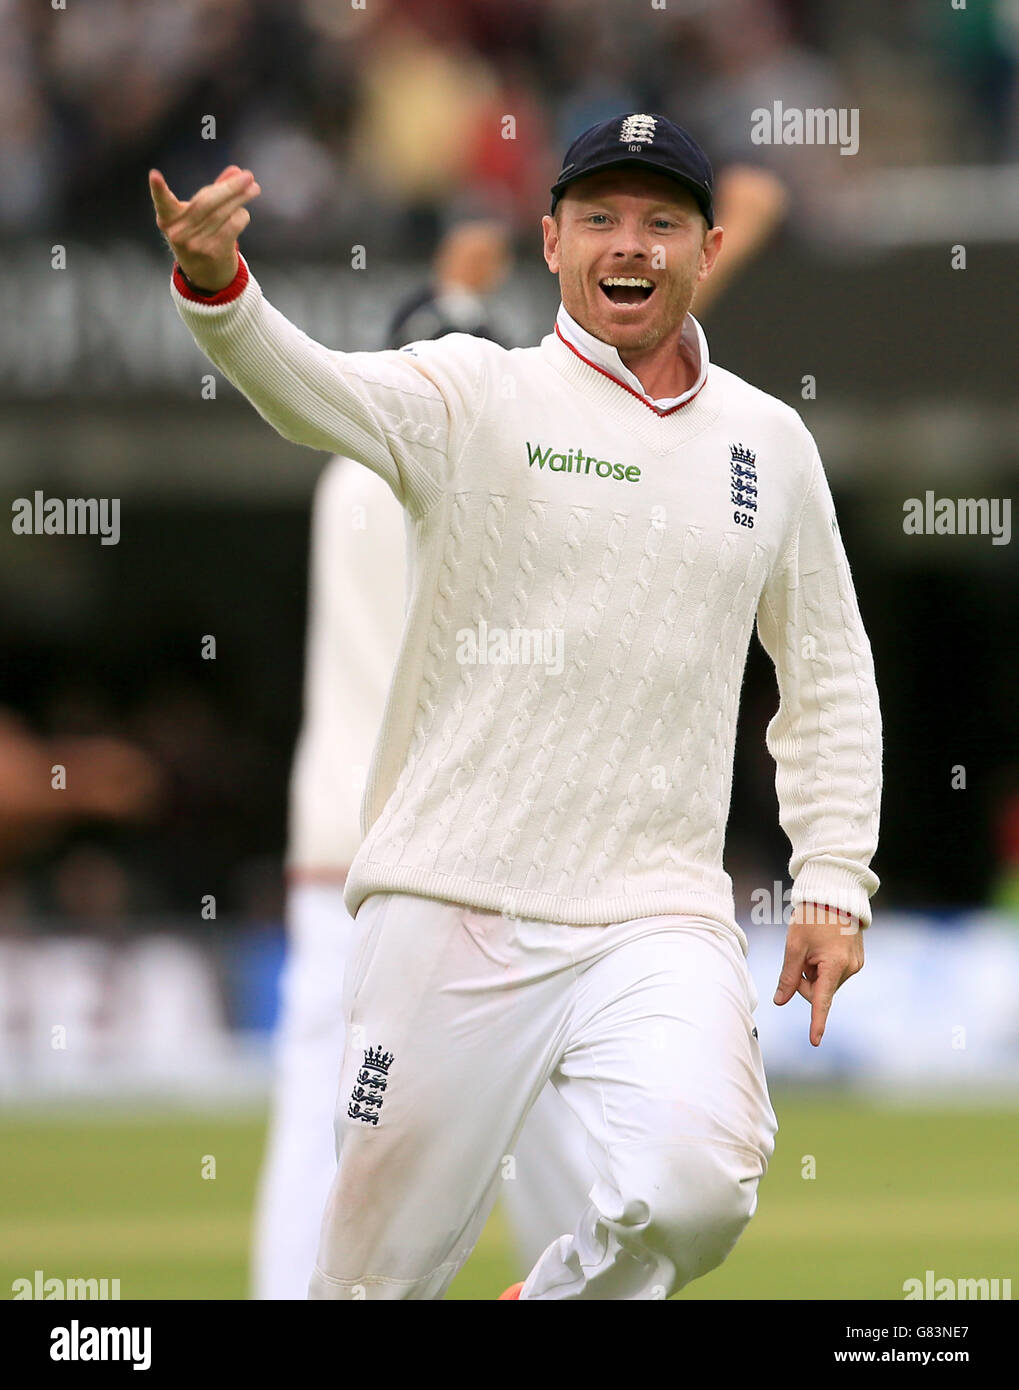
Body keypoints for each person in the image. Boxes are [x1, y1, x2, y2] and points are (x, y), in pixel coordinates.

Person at [150, 111, 882, 1300]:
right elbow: (309, 390)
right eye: (597, 218)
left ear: (703, 251)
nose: (625, 244)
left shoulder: (768, 441)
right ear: (549, 242)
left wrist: (831, 878)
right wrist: (214, 283)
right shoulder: (472, 393)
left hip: (655, 905)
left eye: (658, 222)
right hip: (451, 899)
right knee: (364, 1282)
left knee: (695, 1187)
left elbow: (830, 673)